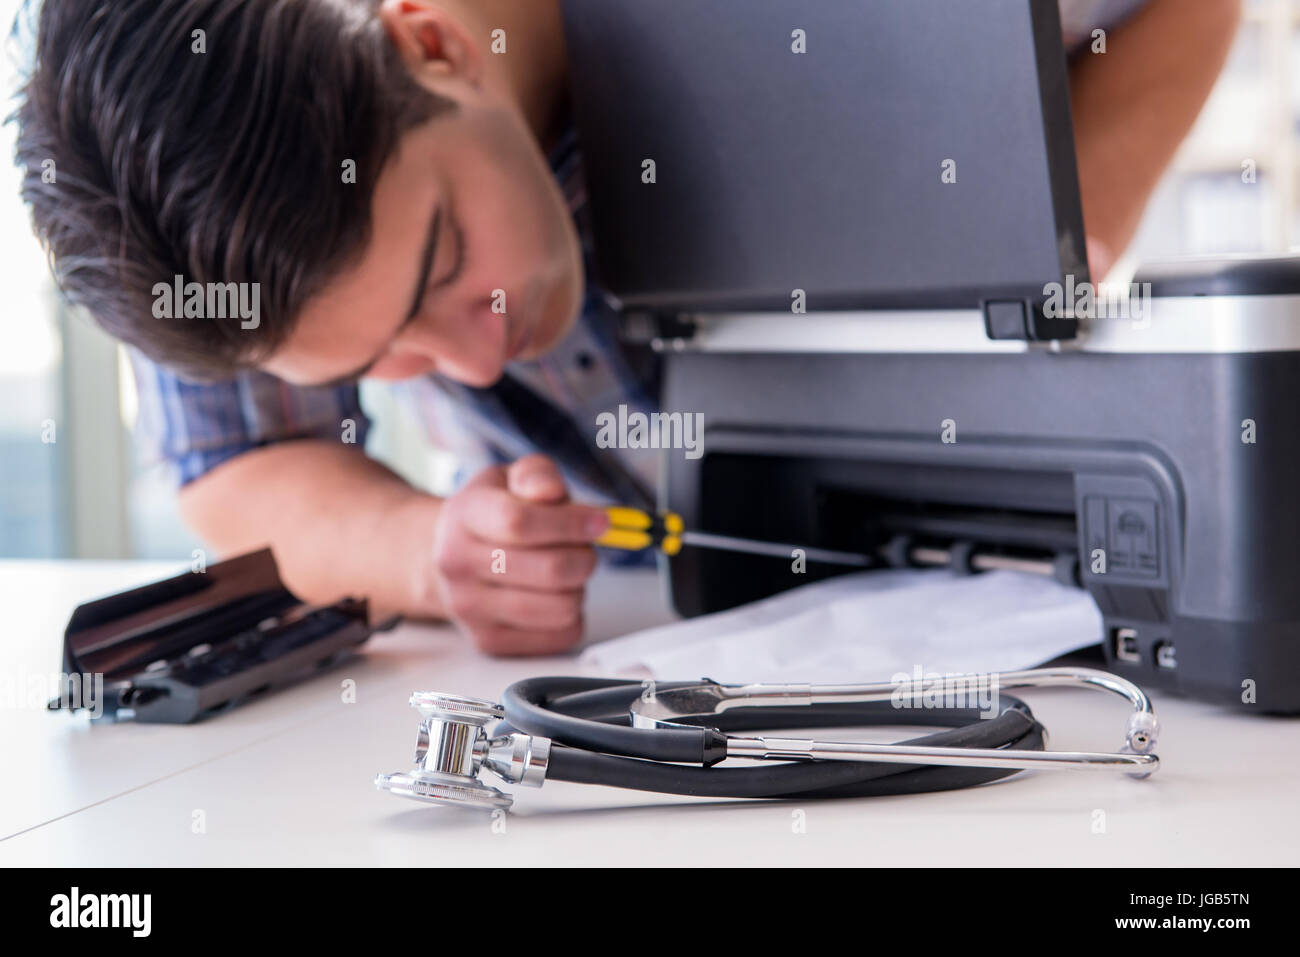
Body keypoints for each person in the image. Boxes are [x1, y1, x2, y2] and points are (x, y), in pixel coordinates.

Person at [13, 0, 1241, 653]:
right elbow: (236, 470)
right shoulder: (202, 222)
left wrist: (1051, 227)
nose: (479, 360)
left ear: (430, 43)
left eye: (445, 265)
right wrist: (431, 549)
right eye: (384, 364)